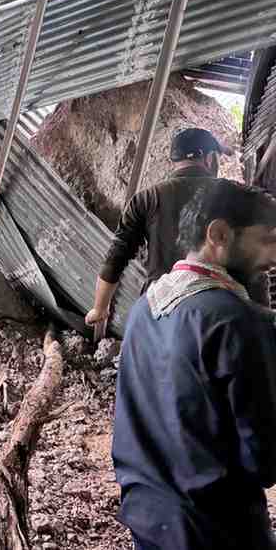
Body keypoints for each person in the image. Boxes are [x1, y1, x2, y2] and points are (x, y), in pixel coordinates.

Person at [112, 179, 276, 550]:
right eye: (268, 239)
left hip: (149, 518)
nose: (274, 255)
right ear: (219, 234)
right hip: (217, 529)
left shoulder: (143, 309)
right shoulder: (235, 321)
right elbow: (264, 460)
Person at [85, 128, 232, 327]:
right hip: (215, 314)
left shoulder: (146, 198)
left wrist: (100, 308)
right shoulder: (234, 196)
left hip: (158, 310)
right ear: (208, 158)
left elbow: (116, 258)